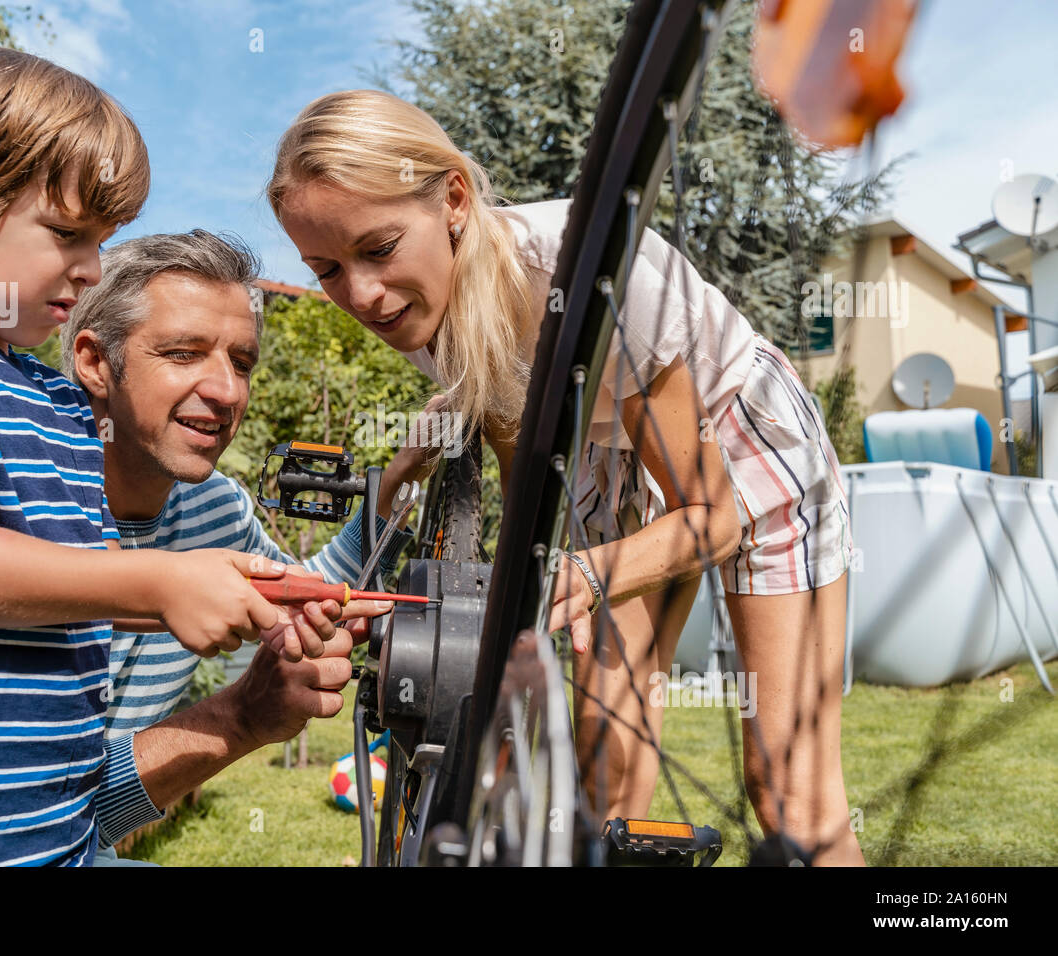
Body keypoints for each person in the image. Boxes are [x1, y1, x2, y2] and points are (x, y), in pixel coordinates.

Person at [0, 48, 343, 867]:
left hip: (54, 843)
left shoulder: (52, 403)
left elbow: (72, 584)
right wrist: (163, 583)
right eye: (68, 234)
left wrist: (260, 597)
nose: (92, 267)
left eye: (102, 240)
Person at [266, 89, 864, 865]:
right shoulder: (424, 313)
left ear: (452, 198)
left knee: (788, 787)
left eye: (378, 249)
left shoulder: (592, 274)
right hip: (602, 452)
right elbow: (527, 492)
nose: (361, 296)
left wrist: (583, 572)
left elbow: (711, 516)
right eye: (327, 270)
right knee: (604, 763)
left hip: (741, 436)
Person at [58, 230, 421, 862]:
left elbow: (301, 588)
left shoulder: (213, 506)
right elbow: (34, 813)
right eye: (182, 352)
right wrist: (242, 716)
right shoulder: (17, 504)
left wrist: (390, 494)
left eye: (242, 363)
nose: (228, 392)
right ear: (95, 362)